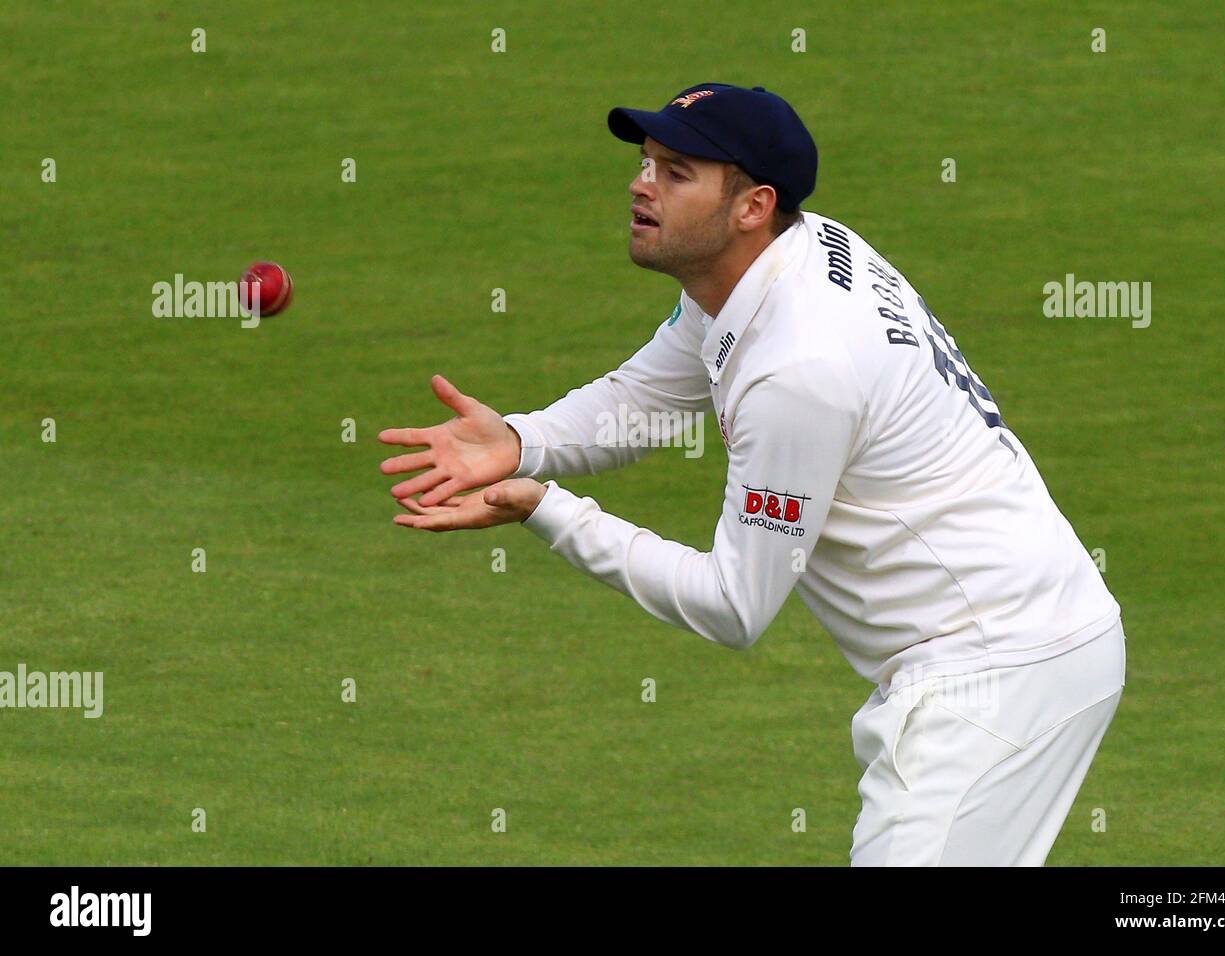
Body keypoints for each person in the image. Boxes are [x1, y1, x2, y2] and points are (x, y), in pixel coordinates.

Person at [379, 83, 1126, 865]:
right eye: (645, 163)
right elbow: (649, 395)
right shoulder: (780, 260)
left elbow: (733, 605)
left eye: (676, 172)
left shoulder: (799, 369)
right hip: (1026, 637)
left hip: (993, 671)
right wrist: (520, 442)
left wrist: (548, 510)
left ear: (751, 205)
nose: (640, 184)